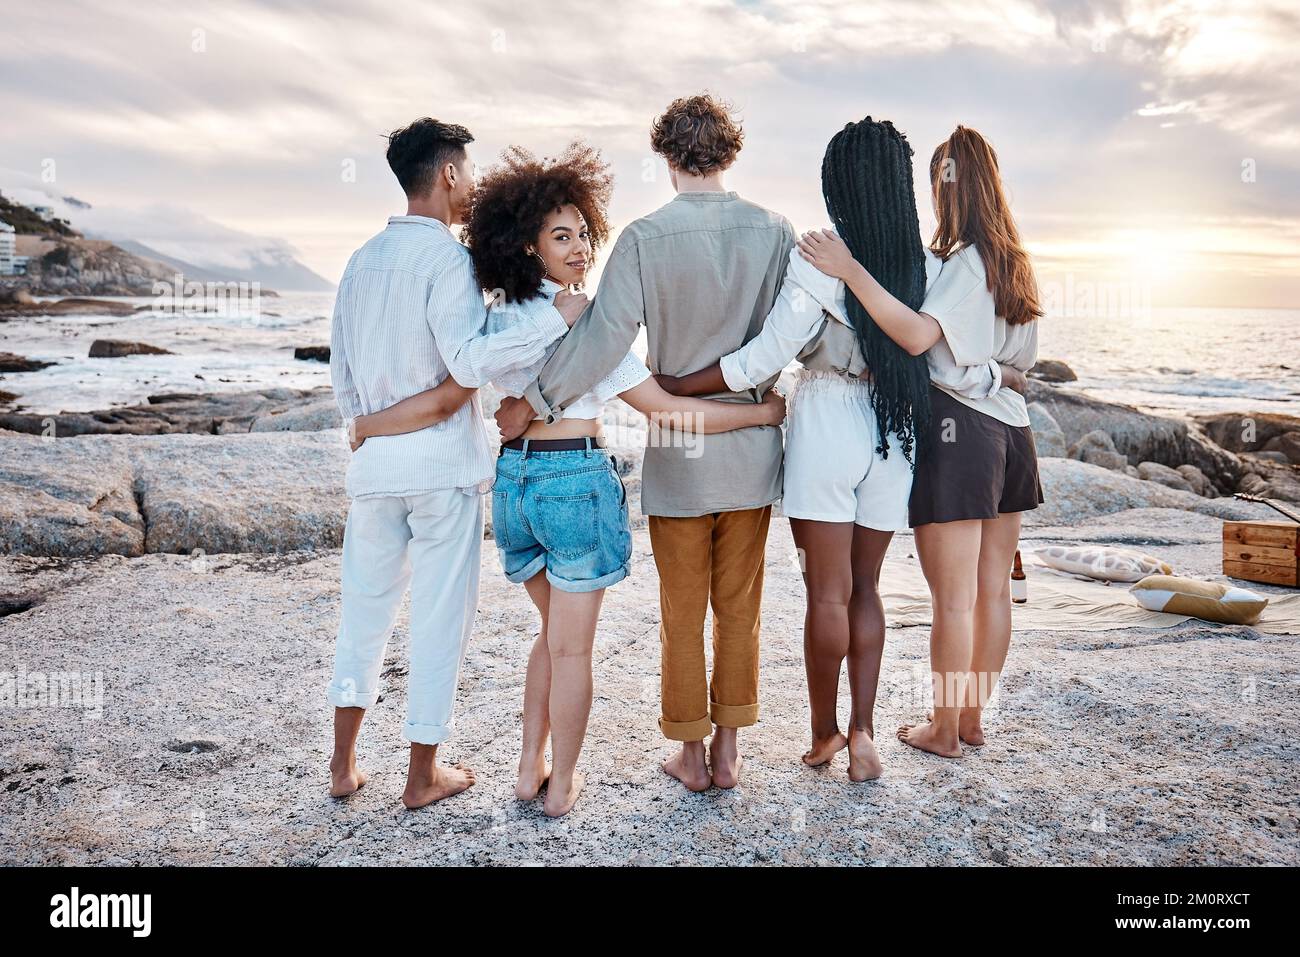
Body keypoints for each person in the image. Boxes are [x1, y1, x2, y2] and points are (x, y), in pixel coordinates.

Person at [349, 142, 785, 815]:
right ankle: (563, 785)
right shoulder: (584, 322)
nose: (581, 248)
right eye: (562, 236)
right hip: (574, 482)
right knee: (573, 647)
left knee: (552, 635)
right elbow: (666, 411)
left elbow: (471, 374)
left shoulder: (499, 318)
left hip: (515, 489)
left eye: (584, 233)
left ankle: (529, 767)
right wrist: (757, 412)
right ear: (530, 247)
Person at [658, 117, 1011, 780]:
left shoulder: (822, 256)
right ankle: (865, 734)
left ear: (841, 184)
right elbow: (937, 354)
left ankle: (824, 737)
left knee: (827, 593)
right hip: (892, 429)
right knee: (866, 590)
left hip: (826, 418)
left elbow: (764, 356)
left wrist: (679, 383)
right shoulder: (928, 264)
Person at [493, 94, 793, 792]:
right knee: (740, 610)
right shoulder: (776, 231)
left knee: (682, 616)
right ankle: (728, 751)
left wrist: (535, 402)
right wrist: (769, 406)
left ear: (665, 157)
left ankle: (688, 758)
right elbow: (791, 334)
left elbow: (600, 339)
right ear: (732, 152)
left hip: (680, 463)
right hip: (751, 456)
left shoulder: (642, 238)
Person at [325, 118, 590, 809]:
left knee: (363, 616)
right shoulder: (445, 261)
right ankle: (421, 775)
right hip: (440, 472)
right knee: (439, 619)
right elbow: (469, 362)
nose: (471, 186)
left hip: (377, 471)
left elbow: (343, 377)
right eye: (466, 172)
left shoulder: (360, 261)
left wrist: (372, 426)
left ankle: (343, 765)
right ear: (447, 174)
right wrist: (557, 318)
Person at [796, 124, 1042, 759]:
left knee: (954, 598)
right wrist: (997, 373)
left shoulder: (964, 262)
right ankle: (972, 718)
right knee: (993, 590)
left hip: (965, 435)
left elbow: (912, 337)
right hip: (1014, 432)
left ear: (951, 185)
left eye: (939, 181)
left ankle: (944, 728)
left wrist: (850, 270)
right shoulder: (1015, 262)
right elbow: (1019, 364)